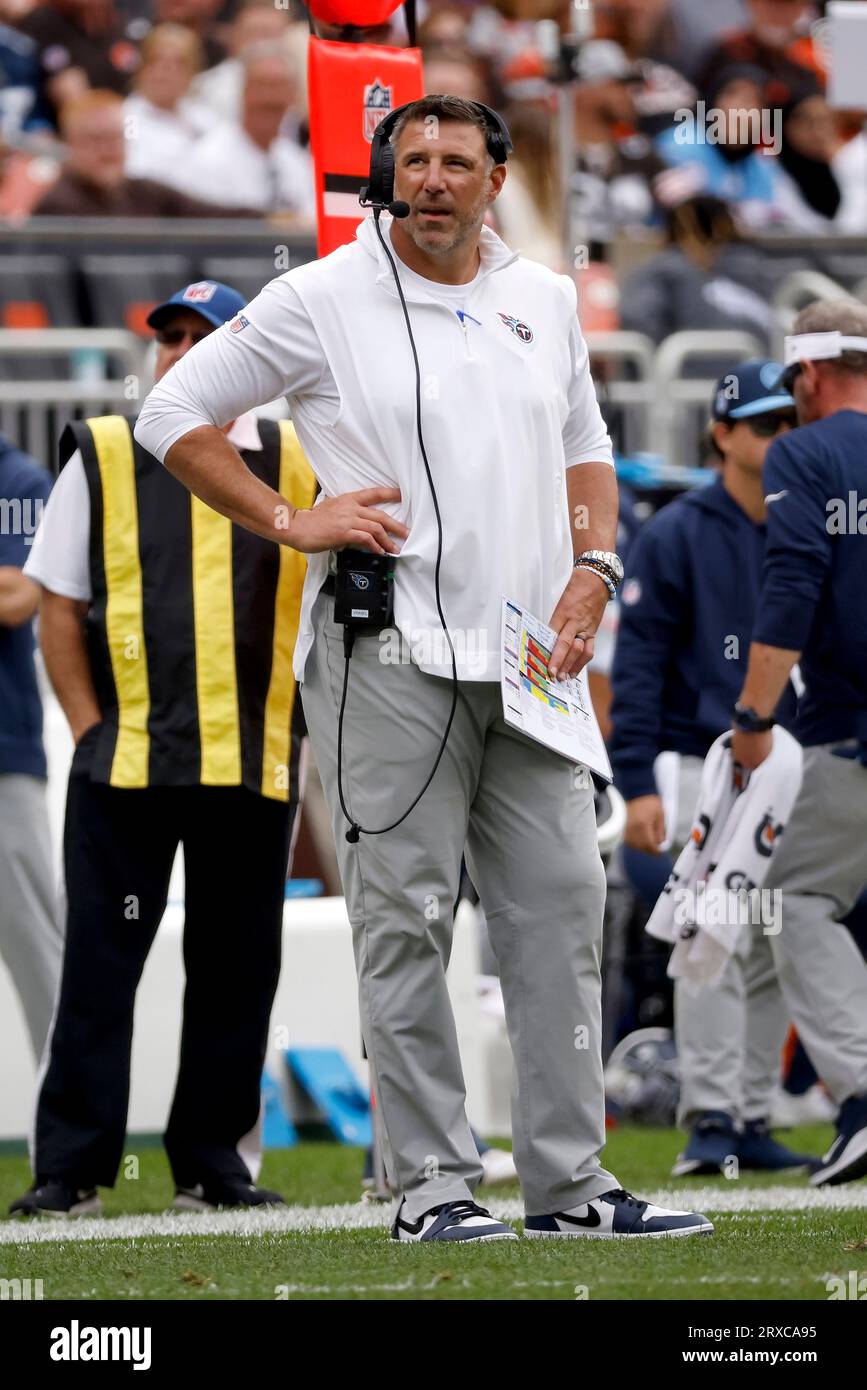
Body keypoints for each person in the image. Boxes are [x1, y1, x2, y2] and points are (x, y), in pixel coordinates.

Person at [135, 93, 713, 1242]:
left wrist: (596, 565)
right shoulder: (317, 295)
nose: (437, 178)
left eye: (459, 159)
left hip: (533, 660)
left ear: (499, 178)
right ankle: (433, 1186)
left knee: (558, 909)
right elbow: (173, 409)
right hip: (384, 653)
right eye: (417, 160)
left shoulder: (545, 300)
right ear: (384, 179)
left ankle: (572, 1185)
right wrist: (291, 519)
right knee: (403, 922)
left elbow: (586, 444)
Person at [10, 280, 316, 1218]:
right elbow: (56, 602)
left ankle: (212, 1163)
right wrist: (90, 726)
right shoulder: (104, 453)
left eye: (204, 336)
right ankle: (70, 1169)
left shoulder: (300, 462)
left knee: (236, 970)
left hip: (254, 757)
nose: (180, 351)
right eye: (169, 337)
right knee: (99, 968)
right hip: (127, 764)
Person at [610, 359, 818, 1177]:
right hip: (707, 765)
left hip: (797, 761)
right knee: (707, 941)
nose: (780, 438)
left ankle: (750, 1112)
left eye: (789, 424)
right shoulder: (675, 533)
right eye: (766, 424)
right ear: (721, 433)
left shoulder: (807, 523)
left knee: (770, 944)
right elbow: (636, 668)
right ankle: (708, 1119)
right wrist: (632, 784)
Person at [731, 299, 867, 1187]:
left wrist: (751, 720)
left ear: (809, 375)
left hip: (848, 728)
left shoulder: (805, 453)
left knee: (795, 899)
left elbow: (790, 591)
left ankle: (859, 1096)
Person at [0, 432, 63, 1061]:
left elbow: (22, 595)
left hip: (5, 752)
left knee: (33, 942)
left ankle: (71, 1128)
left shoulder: (19, 480)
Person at [32, 89, 256, 217]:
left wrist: (270, 219)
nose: (107, 150)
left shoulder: (143, 192)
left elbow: (210, 215)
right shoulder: (58, 206)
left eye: (115, 139)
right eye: (94, 140)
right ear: (70, 144)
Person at [178, 45, 313, 217]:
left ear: (293, 95)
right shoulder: (209, 157)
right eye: (261, 85)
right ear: (244, 90)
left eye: (279, 86)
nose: (269, 98)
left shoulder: (294, 160)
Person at [123, 23, 211, 184]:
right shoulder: (129, 119)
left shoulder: (205, 119)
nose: (163, 72)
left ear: (192, 72)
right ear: (142, 68)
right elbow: (133, 170)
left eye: (178, 64)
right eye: (155, 61)